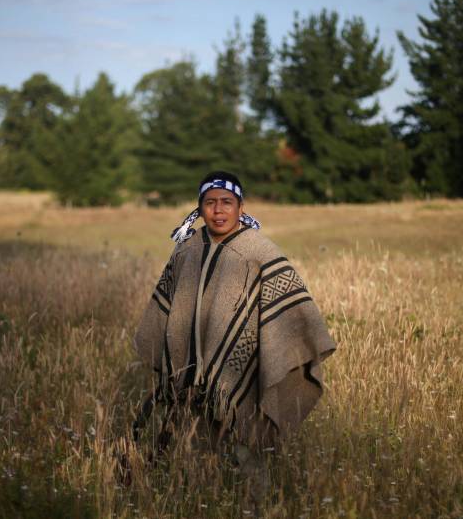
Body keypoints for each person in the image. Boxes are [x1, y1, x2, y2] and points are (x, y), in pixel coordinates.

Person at [133, 171, 336, 465]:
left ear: (241, 208)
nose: (218, 210)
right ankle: (200, 487)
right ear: (198, 209)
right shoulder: (187, 249)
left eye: (227, 202)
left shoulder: (260, 251)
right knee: (194, 455)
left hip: (243, 370)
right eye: (210, 202)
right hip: (189, 374)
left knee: (246, 446)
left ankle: (255, 501)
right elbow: (169, 308)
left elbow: (292, 311)